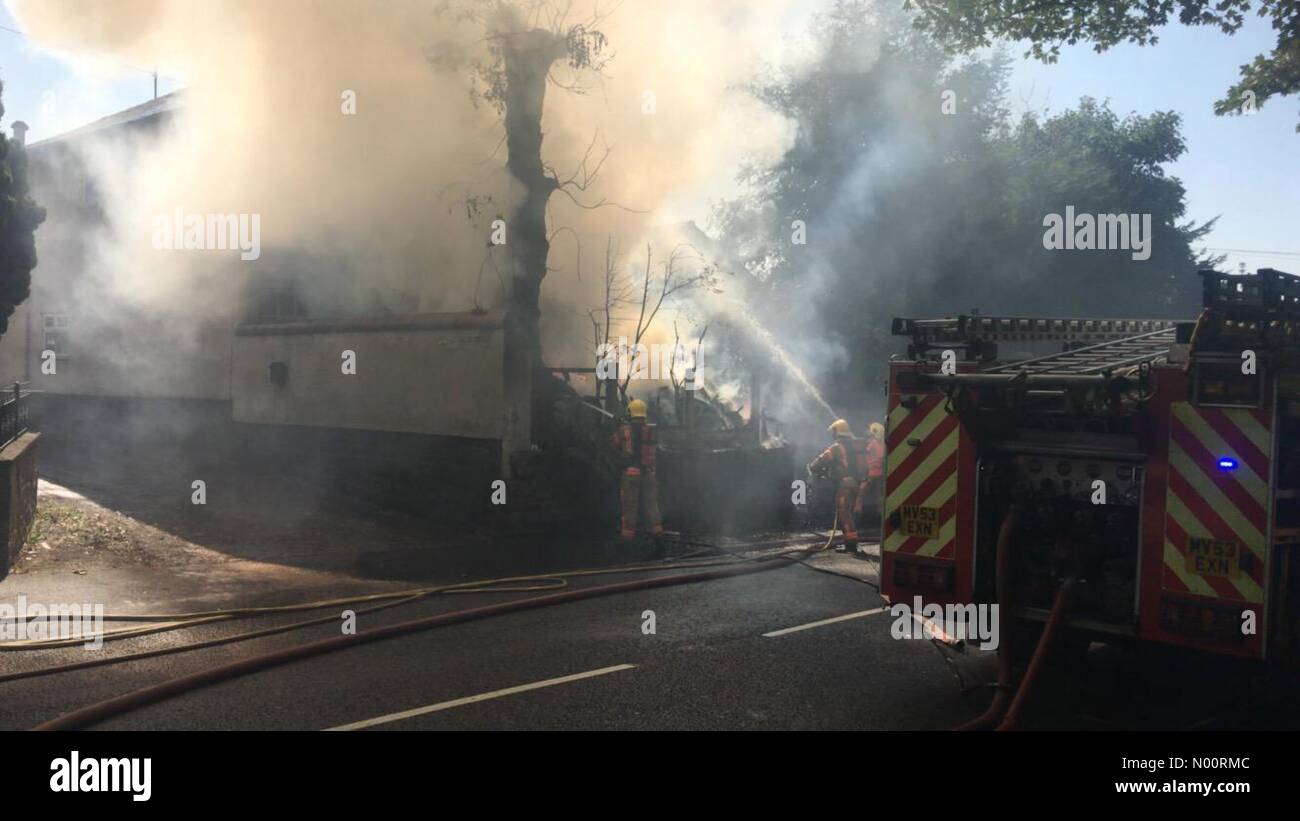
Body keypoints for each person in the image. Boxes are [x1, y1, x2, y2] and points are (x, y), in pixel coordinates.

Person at [808, 419, 871, 553]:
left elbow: (818, 463)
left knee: (844, 514)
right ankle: (850, 543)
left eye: (833, 432)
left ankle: (851, 545)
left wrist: (817, 469)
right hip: (857, 483)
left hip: (845, 485)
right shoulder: (856, 445)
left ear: (837, 431)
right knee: (847, 514)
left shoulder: (836, 447)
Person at [612, 398, 663, 541]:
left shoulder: (624, 431)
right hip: (649, 474)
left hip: (631, 474)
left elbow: (613, 444)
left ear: (630, 412)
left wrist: (617, 425)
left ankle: (627, 537)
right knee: (652, 504)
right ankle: (657, 532)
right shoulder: (651, 431)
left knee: (630, 506)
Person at [854, 421, 885, 532]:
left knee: (860, 495)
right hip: (880, 474)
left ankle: (857, 517)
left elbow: (863, 454)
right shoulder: (883, 445)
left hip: (871, 473)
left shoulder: (872, 444)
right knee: (879, 497)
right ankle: (881, 520)